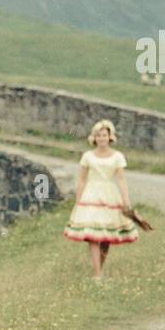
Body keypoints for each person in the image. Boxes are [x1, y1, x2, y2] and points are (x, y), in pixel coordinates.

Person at [64, 119, 138, 278]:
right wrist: (78, 199)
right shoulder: (88, 156)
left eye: (104, 135)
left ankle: (100, 269)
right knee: (93, 235)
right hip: (91, 194)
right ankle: (97, 274)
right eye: (98, 135)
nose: (101, 138)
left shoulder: (117, 156)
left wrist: (126, 199)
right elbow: (82, 178)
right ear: (94, 138)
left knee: (106, 236)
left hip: (109, 195)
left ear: (110, 137)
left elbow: (121, 179)